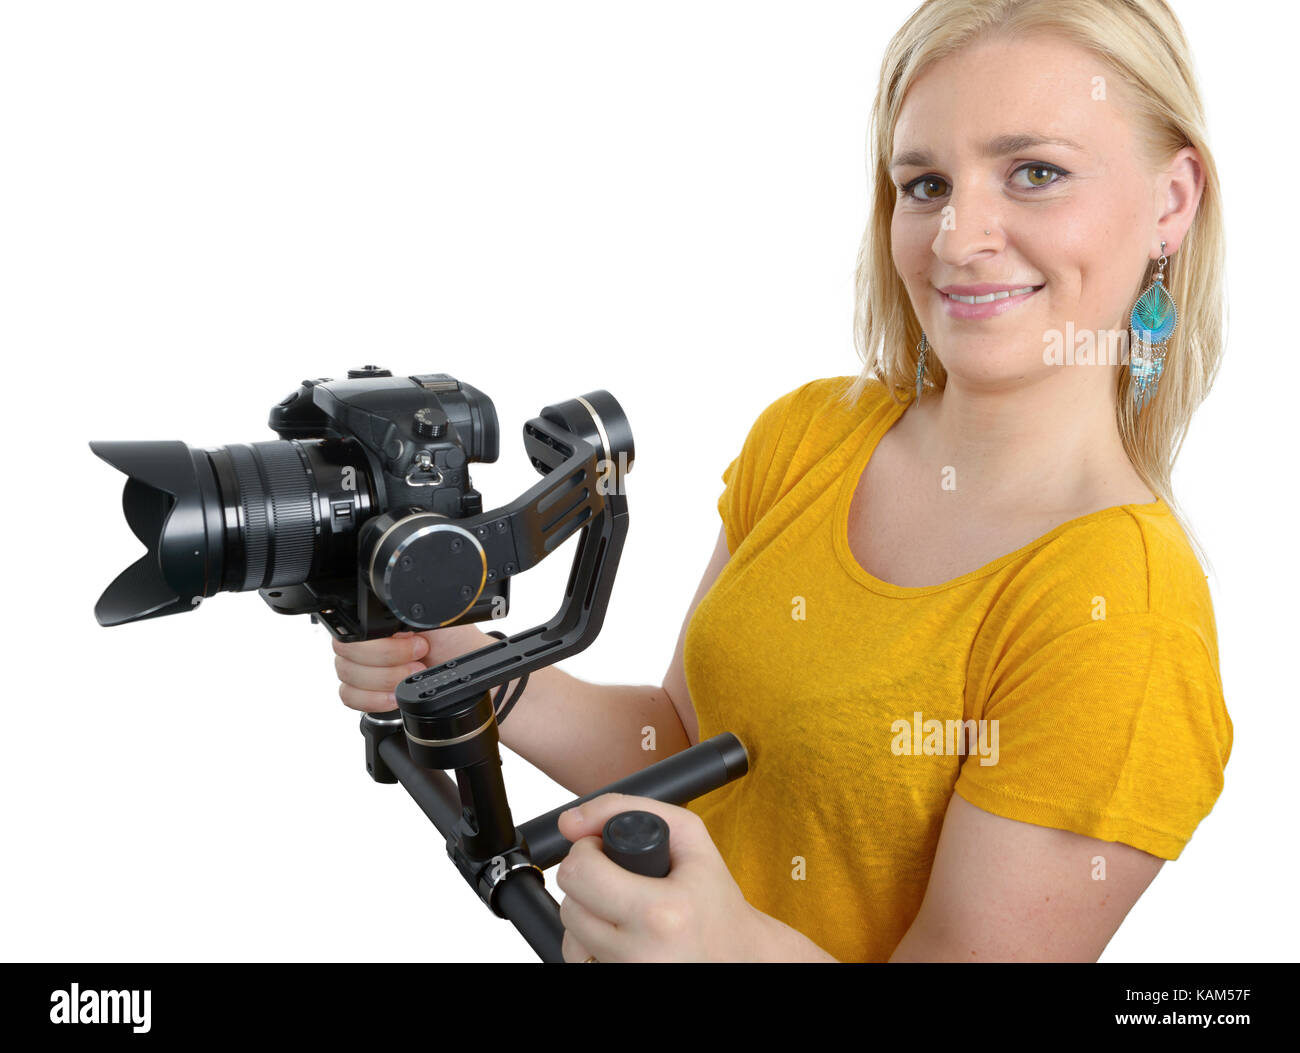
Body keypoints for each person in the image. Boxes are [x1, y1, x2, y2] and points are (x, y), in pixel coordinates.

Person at [331, 0, 1232, 962]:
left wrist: (732, 952)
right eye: (925, 184)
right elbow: (681, 743)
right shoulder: (813, 435)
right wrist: (480, 675)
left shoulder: (1122, 613)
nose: (958, 237)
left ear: (1172, 201)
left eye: (1036, 172)